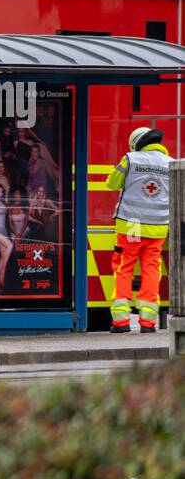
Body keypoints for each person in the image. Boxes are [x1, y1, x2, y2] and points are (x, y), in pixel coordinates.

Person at [106, 126, 173, 332]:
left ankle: (121, 322)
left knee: (124, 267)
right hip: (159, 226)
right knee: (151, 269)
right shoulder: (171, 163)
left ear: (136, 143)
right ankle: (148, 322)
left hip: (131, 226)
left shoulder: (130, 159)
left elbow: (112, 183)